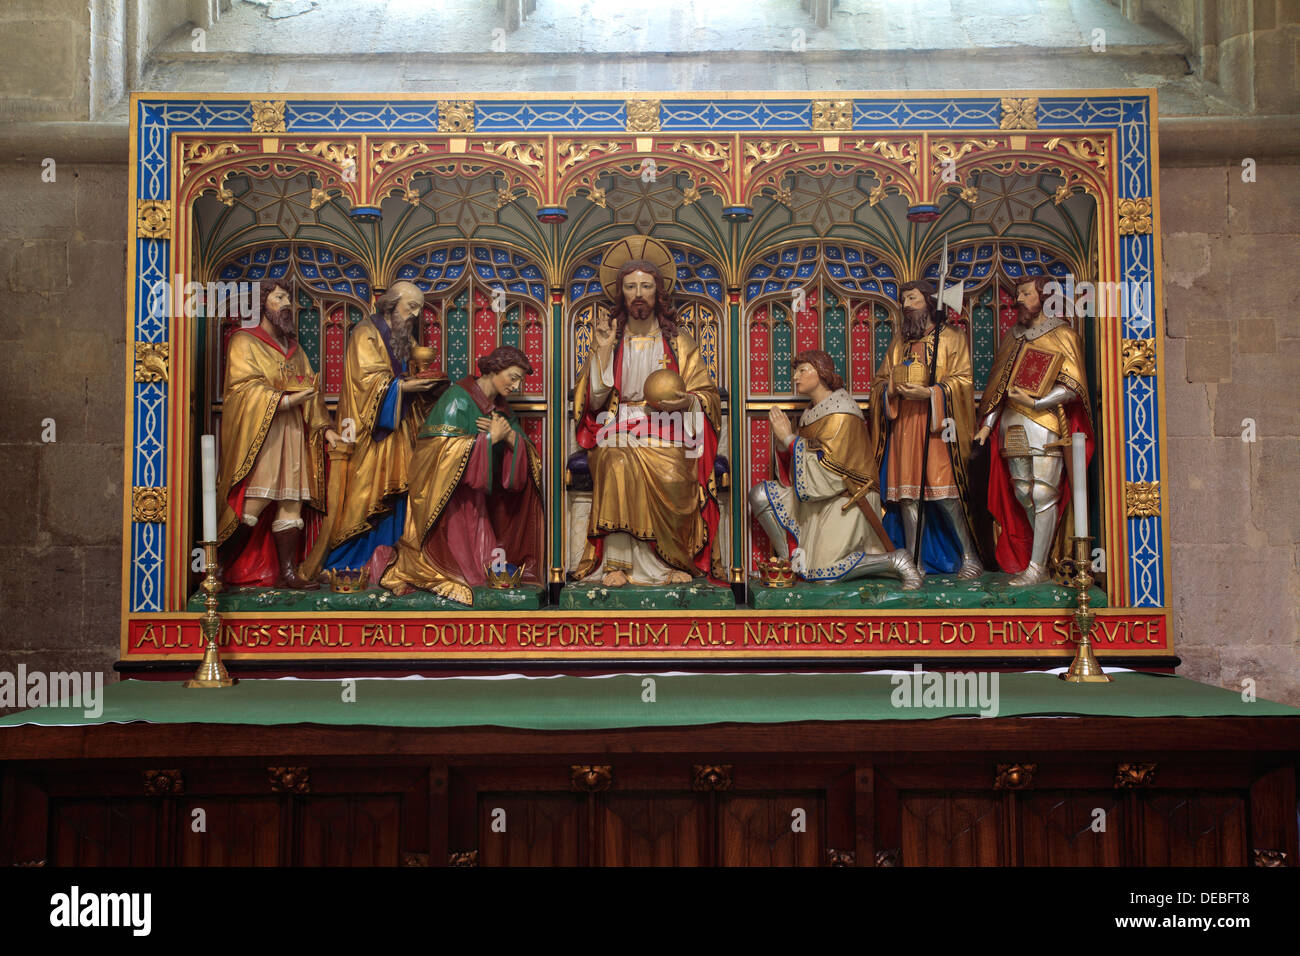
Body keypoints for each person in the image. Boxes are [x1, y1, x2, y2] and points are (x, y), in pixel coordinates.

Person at [571, 238, 724, 586]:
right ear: (621, 293)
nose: (638, 293)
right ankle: (618, 565)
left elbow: (706, 394)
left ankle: (672, 561)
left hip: (668, 426)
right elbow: (593, 403)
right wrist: (605, 352)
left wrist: (688, 402)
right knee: (615, 459)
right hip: (617, 425)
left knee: (672, 472)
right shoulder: (609, 339)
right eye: (630, 286)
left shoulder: (680, 343)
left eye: (646, 285)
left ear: (658, 292)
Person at [381, 346, 545, 604]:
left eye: (520, 380)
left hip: (478, 503)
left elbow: (528, 454)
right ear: (493, 370)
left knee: (482, 565)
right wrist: (489, 439)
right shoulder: (457, 398)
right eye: (513, 377)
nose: (516, 385)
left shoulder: (499, 407)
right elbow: (434, 454)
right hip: (449, 505)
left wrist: (509, 436)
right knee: (463, 567)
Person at [750, 350, 922, 587]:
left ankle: (895, 561)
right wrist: (784, 445)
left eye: (802, 371)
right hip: (816, 497)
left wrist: (790, 439)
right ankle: (789, 561)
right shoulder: (811, 412)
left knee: (825, 574)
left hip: (847, 500)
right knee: (760, 496)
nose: (795, 378)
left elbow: (832, 470)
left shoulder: (841, 411)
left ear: (821, 373)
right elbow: (800, 470)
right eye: (795, 372)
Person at [216, 279, 340, 588]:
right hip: (264, 433)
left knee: (291, 502)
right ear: (262, 304)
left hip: (294, 432)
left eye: (288, 299)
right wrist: (285, 400)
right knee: (254, 503)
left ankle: (288, 573)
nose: (287, 303)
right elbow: (242, 390)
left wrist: (325, 431)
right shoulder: (244, 341)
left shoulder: (294, 350)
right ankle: (216, 566)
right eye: (279, 297)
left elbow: (311, 392)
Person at [975, 275, 1094, 586]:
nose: (1019, 300)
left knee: (1043, 492)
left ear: (1043, 296)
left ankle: (1037, 566)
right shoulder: (1013, 338)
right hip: (1012, 425)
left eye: (1026, 293)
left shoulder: (1062, 333)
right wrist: (987, 426)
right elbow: (997, 387)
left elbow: (1075, 387)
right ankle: (1045, 556)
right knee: (1022, 493)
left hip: (1046, 425)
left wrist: (1038, 401)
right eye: (1017, 294)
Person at [324, 280, 440, 579]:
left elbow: (413, 375)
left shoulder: (405, 340)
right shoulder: (365, 334)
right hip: (371, 434)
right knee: (368, 497)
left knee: (401, 495)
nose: (415, 314)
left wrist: (423, 382)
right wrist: (404, 385)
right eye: (410, 306)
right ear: (391, 304)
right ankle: (350, 562)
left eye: (419, 309)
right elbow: (367, 383)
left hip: (401, 432)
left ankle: (391, 563)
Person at [869, 279, 984, 579]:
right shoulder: (899, 342)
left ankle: (969, 556)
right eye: (903, 300)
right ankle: (915, 562)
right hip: (905, 424)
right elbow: (879, 382)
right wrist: (890, 391)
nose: (906, 305)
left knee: (945, 494)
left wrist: (934, 393)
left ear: (930, 303)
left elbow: (963, 382)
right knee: (908, 497)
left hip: (938, 428)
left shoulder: (953, 337)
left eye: (913, 299)